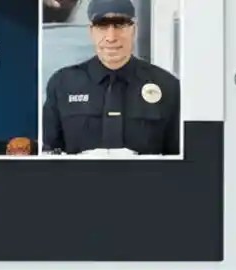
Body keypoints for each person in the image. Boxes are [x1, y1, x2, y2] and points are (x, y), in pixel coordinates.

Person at [41, 0, 181, 156]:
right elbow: (49, 153)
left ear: (134, 30)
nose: (111, 37)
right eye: (102, 26)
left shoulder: (167, 86)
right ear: (91, 31)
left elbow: (178, 157)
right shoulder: (62, 85)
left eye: (120, 25)